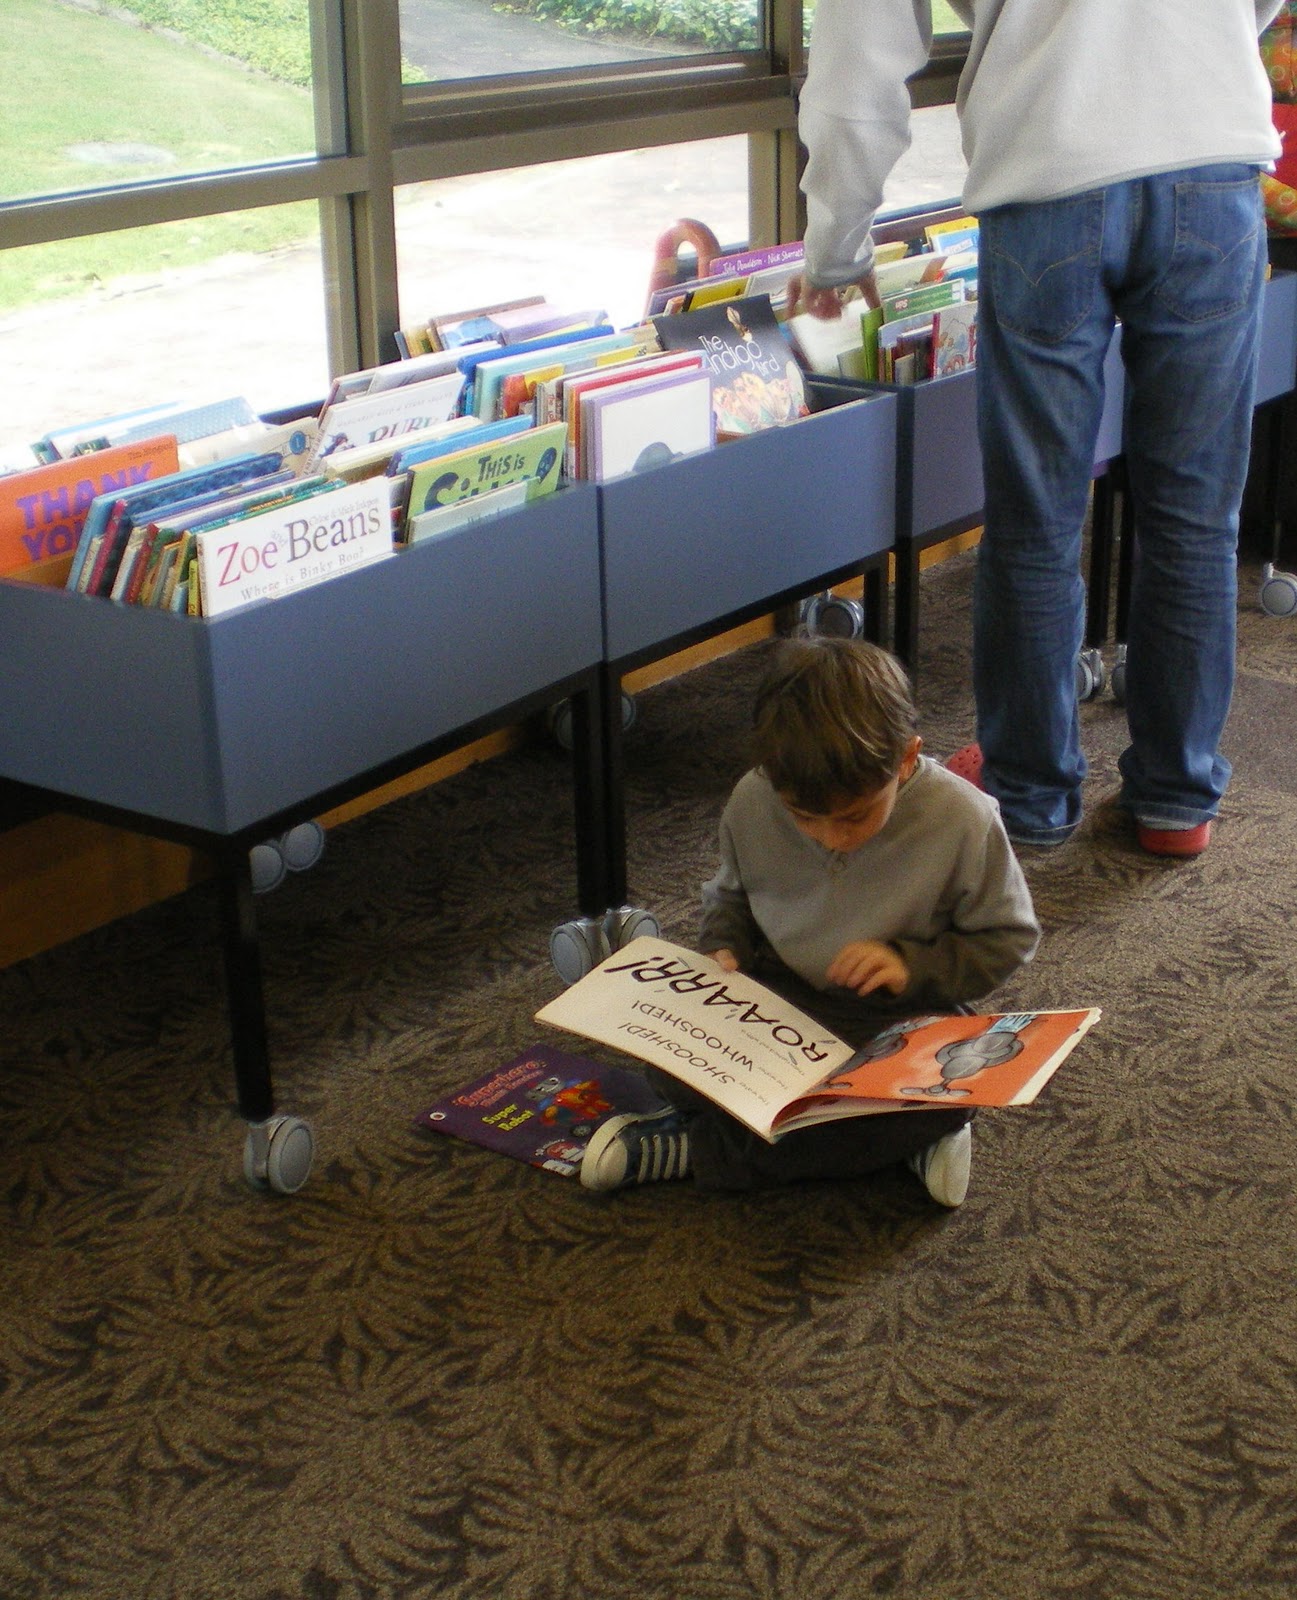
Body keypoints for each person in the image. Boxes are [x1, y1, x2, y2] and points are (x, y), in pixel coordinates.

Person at [792, 1, 1283, 857]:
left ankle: (1029, 794)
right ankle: (1175, 799)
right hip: (1212, 162)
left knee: (1035, 518)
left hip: (1048, 174)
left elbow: (858, 54)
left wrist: (837, 244)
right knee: (1195, 515)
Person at [580, 636, 1041, 1206]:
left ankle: (697, 1151)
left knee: (961, 1079)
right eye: (803, 817)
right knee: (667, 1069)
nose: (830, 838)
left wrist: (910, 964)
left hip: (895, 1012)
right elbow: (730, 896)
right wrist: (724, 947)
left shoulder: (963, 818)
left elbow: (1009, 937)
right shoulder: (754, 798)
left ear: (905, 758)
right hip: (781, 996)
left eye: (855, 816)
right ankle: (899, 1145)